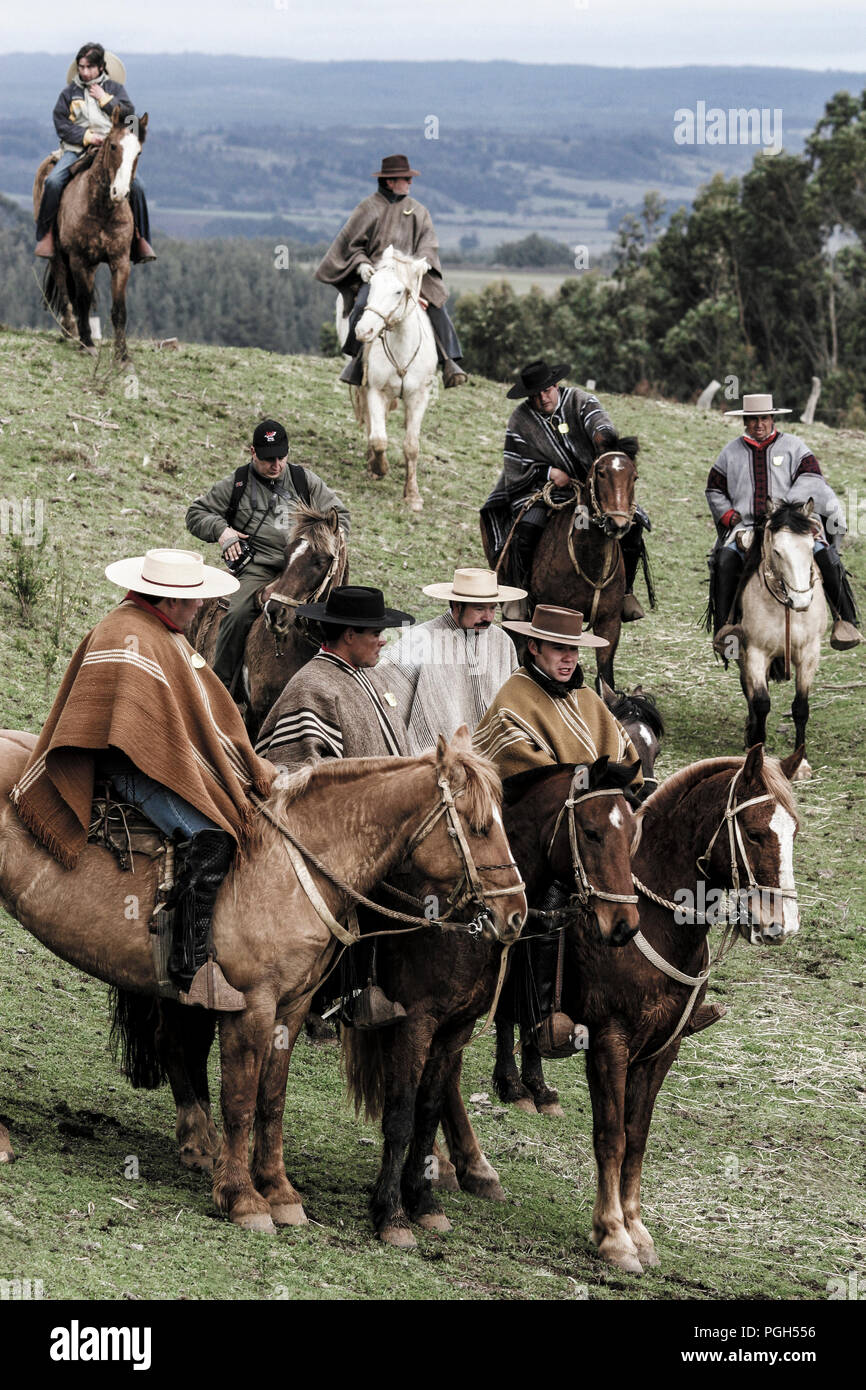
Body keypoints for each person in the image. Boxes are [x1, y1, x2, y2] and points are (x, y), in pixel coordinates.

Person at [11, 548, 275, 1010]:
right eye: (193, 600)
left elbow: (195, 715)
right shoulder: (126, 632)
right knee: (210, 836)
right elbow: (126, 727)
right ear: (170, 599)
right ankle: (188, 968)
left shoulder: (159, 631)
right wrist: (168, 758)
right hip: (129, 769)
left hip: (155, 762)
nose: (199, 608)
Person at [256, 585, 414, 1029]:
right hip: (333, 845)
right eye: (375, 632)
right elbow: (301, 774)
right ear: (347, 635)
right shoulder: (313, 686)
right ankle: (329, 994)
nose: (383, 639)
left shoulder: (375, 678)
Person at [185, 418, 351, 693]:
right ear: (252, 452)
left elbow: (340, 517)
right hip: (260, 569)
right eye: (267, 459)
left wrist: (323, 538)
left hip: (304, 566)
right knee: (236, 614)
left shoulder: (303, 480)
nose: (276, 465)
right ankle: (221, 688)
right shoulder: (237, 483)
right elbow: (196, 514)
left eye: (281, 458)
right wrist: (223, 532)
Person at [480, 359, 651, 620]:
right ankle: (520, 594)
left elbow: (599, 424)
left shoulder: (580, 400)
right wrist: (549, 472)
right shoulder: (521, 420)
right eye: (536, 394)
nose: (543, 397)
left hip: (594, 483)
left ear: (556, 385)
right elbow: (515, 464)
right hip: (543, 488)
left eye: (547, 390)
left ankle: (625, 592)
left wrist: (602, 439)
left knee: (633, 524)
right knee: (525, 530)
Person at [706, 392, 862, 654]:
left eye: (764, 418)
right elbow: (714, 490)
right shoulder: (729, 453)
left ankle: (845, 621)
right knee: (723, 561)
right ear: (745, 421)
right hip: (746, 529)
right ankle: (725, 630)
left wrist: (786, 510)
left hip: (792, 527)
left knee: (826, 557)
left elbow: (812, 477)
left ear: (772, 418)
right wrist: (728, 515)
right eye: (753, 419)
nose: (758, 424)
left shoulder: (794, 447)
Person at [315, 153, 467, 388]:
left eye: (409, 178)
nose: (410, 182)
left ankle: (450, 362)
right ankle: (356, 362)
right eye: (405, 178)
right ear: (389, 181)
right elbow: (351, 245)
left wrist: (424, 261)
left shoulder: (418, 210)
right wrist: (361, 264)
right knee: (360, 306)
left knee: (438, 306)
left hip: (411, 275)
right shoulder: (367, 208)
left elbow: (428, 241)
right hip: (378, 276)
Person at [473, 604, 644, 790]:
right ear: (533, 647)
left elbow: (624, 758)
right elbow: (529, 777)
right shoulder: (513, 699)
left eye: (573, 649)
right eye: (558, 648)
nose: (569, 658)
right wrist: (589, 785)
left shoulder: (585, 695)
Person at [379, 567, 525, 753]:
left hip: (495, 756)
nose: (488, 617)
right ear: (457, 605)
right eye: (479, 609)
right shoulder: (421, 639)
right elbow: (386, 687)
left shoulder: (502, 641)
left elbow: (513, 699)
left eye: (492, 608)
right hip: (437, 755)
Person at [35, 43, 156, 262]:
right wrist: (87, 137)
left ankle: (141, 240)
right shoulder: (69, 93)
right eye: (81, 67)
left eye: (90, 67)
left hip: (110, 150)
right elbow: (61, 123)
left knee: (138, 186)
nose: (85, 72)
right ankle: (47, 235)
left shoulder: (116, 90)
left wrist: (105, 99)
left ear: (101, 67)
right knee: (53, 182)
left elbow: (131, 119)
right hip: (77, 149)